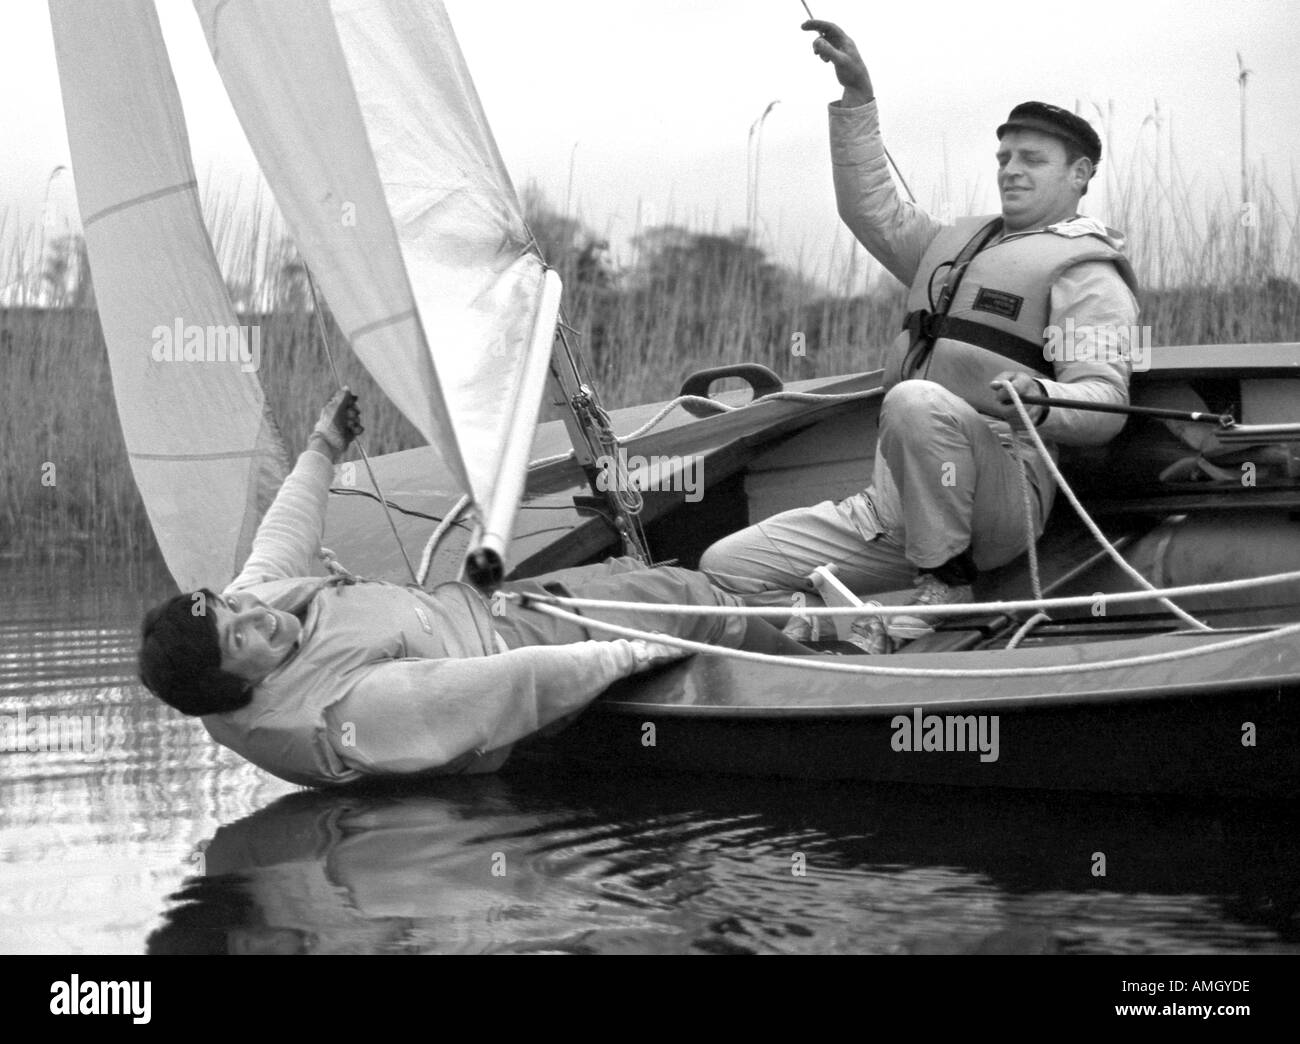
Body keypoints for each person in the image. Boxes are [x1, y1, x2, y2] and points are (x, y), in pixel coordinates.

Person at [701, 19, 1140, 652]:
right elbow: (871, 209)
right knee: (725, 564)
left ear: (1079, 174)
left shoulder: (1089, 275)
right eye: (1004, 158)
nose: (1010, 171)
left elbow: (1105, 404)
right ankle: (847, 629)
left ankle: (945, 583)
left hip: (1000, 494)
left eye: (1031, 160)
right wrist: (857, 100)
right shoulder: (957, 246)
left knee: (912, 400)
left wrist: (1039, 396)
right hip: (892, 505)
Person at [138, 389, 808, 787]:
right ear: (235, 688)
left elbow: (281, 534)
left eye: (235, 607)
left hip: (486, 610)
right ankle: (815, 670)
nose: (257, 616)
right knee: (685, 599)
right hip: (501, 654)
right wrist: (634, 651)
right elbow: (507, 685)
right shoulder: (342, 712)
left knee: (635, 580)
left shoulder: (251, 610)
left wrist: (323, 444)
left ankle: (787, 628)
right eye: (239, 637)